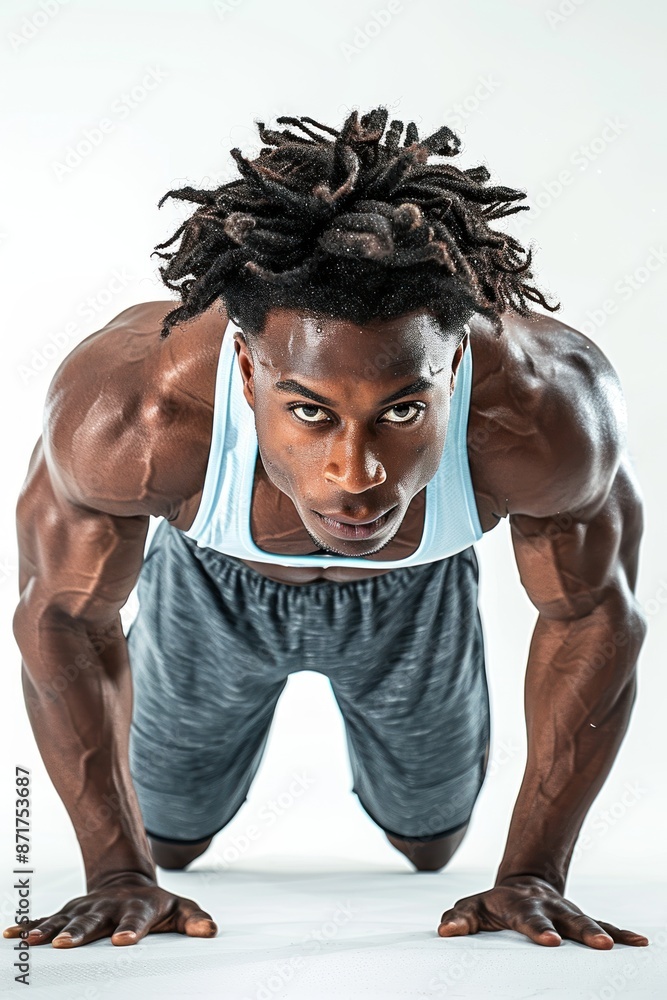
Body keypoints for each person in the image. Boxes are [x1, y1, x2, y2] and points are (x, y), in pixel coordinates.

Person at [4, 107, 649, 951]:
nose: (356, 477)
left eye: (403, 409)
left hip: (416, 593)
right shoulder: (136, 415)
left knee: (429, 841)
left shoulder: (542, 413)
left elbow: (593, 615)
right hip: (210, 593)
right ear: (245, 366)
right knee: (170, 838)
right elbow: (60, 617)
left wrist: (532, 872)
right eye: (309, 411)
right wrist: (117, 874)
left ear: (453, 365)